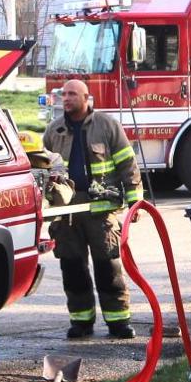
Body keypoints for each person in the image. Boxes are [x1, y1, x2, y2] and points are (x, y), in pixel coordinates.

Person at [43, 79, 143, 339]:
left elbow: (127, 165)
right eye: (63, 94)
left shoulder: (107, 126)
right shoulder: (54, 130)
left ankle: (119, 322)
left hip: (101, 211)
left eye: (72, 94)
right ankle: (81, 322)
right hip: (67, 214)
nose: (66, 98)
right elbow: (43, 172)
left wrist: (135, 202)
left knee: (108, 267)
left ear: (87, 97)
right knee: (72, 269)